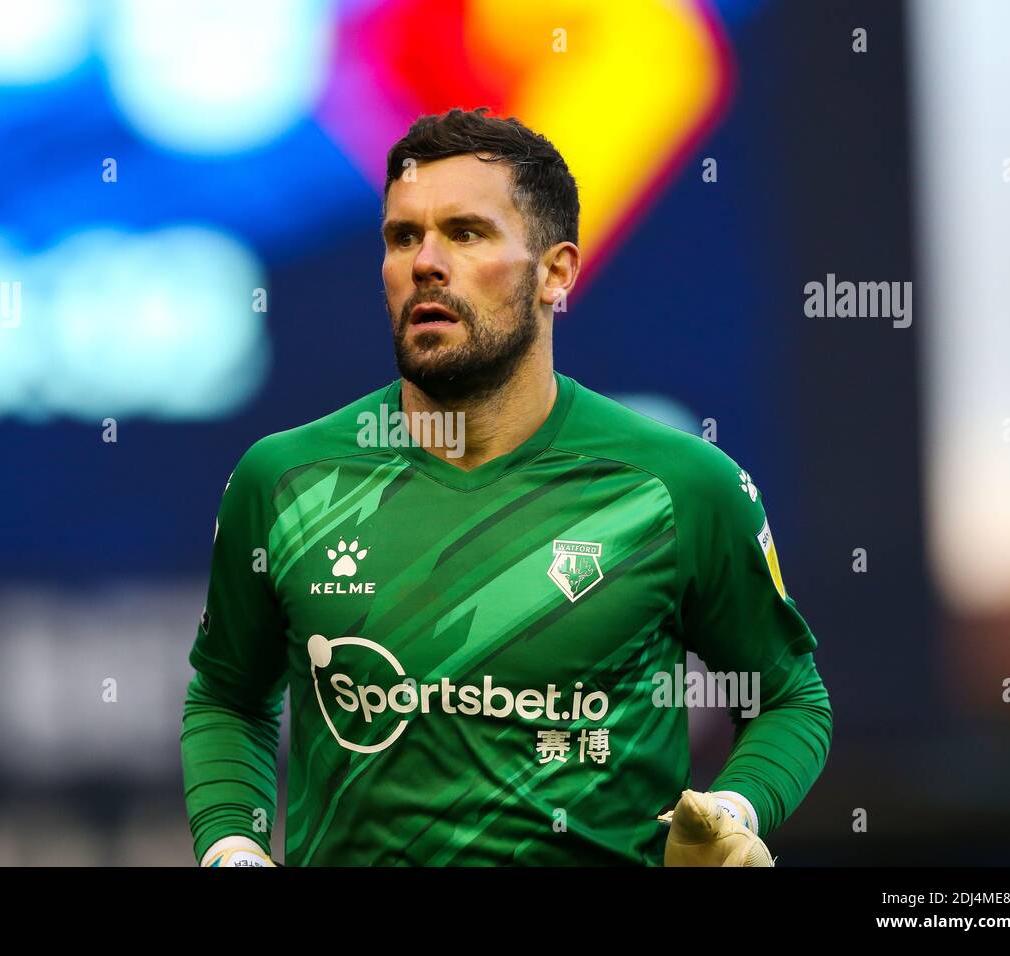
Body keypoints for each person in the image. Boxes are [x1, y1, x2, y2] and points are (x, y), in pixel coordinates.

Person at [182, 106, 831, 866]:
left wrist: (733, 809)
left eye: (465, 233)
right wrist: (233, 845)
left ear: (557, 271)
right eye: (402, 237)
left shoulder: (681, 486)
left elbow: (790, 698)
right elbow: (228, 696)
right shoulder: (284, 480)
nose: (425, 262)